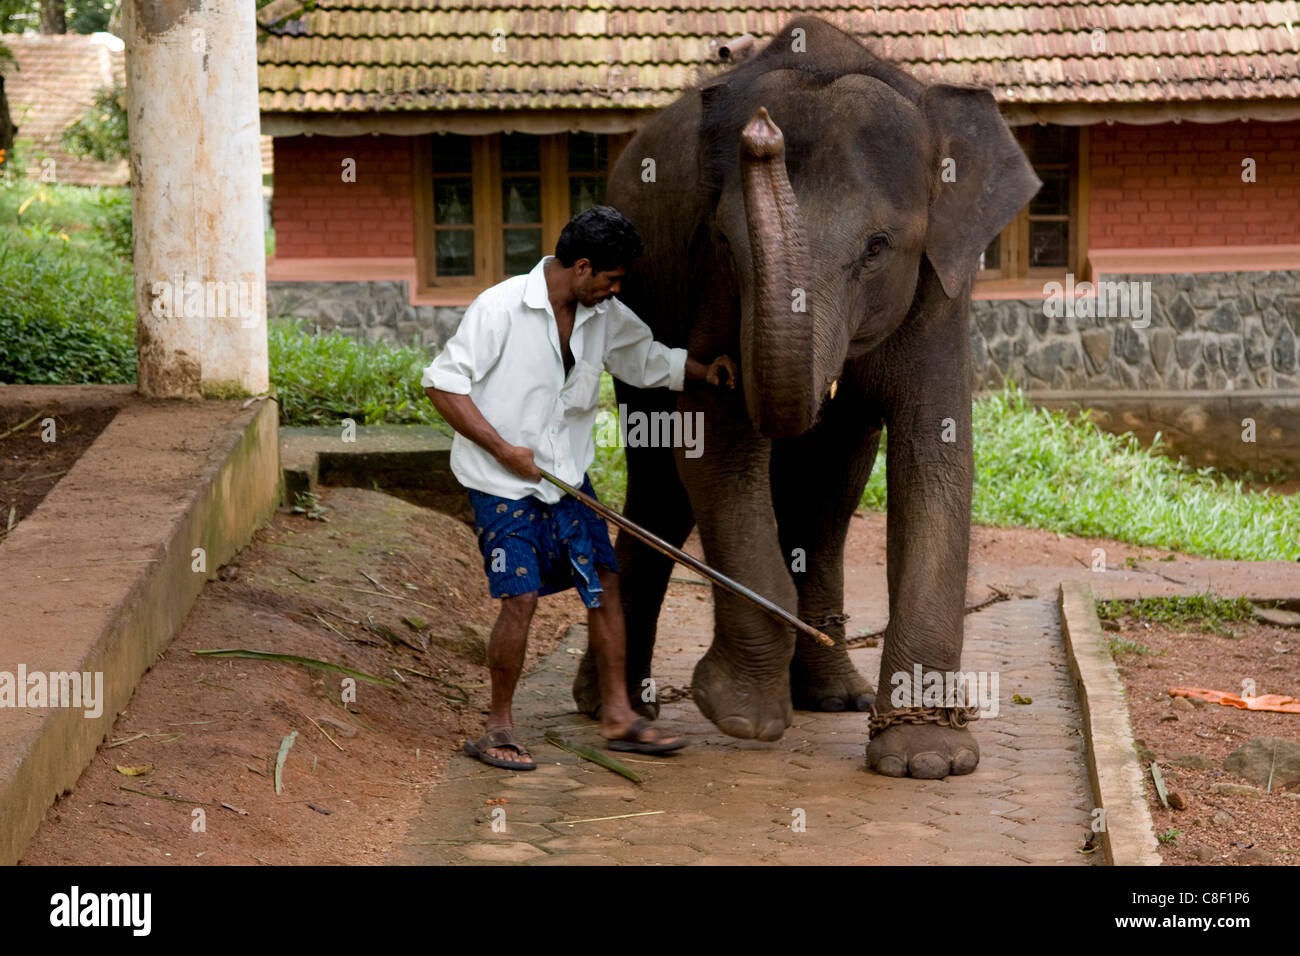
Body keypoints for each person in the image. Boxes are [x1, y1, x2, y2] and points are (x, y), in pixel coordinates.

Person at [423, 205, 737, 770]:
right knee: (518, 598)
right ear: (583, 266)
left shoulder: (603, 313)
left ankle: (618, 715)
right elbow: (442, 385)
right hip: (500, 480)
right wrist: (502, 449)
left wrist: (702, 371)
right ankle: (497, 729)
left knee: (605, 585)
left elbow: (643, 358)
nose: (618, 290)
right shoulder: (500, 308)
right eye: (612, 278)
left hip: (564, 476)